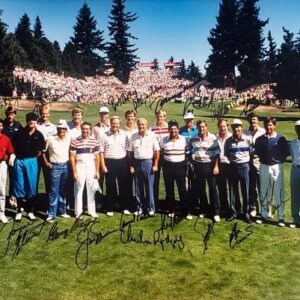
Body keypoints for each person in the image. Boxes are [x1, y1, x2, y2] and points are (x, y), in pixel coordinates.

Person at [255, 117, 289, 227]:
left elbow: (285, 153)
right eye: (266, 125)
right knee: (264, 191)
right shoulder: (260, 139)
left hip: (276, 167)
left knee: (278, 192)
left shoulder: (280, 138)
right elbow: (258, 152)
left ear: (274, 125)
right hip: (264, 166)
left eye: (270, 125)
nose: (268, 127)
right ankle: (264, 215)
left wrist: (277, 161)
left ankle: (281, 217)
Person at [12, 112, 45, 221]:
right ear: (27, 121)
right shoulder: (19, 132)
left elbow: (40, 151)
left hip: (32, 161)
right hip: (20, 161)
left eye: (33, 120)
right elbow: (13, 146)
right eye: (29, 119)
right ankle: (19, 211)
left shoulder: (39, 135)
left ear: (36, 121)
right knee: (19, 185)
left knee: (31, 186)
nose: (31, 122)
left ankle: (30, 211)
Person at [190, 120, 220, 222]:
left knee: (212, 189)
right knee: (201, 189)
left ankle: (216, 212)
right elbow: (189, 151)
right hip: (198, 165)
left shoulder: (213, 138)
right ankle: (204, 210)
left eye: (203, 127)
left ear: (206, 127)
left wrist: (216, 166)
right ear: (197, 128)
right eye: (199, 127)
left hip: (210, 165)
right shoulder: (193, 138)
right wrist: (193, 162)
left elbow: (217, 154)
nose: (201, 129)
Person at [160, 120, 191, 219]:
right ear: (168, 130)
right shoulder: (164, 140)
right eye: (171, 129)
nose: (173, 131)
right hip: (168, 167)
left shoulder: (184, 139)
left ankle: (186, 211)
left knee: (182, 190)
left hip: (180, 167)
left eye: (175, 129)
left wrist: (184, 164)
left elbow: (187, 153)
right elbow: (161, 153)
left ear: (178, 130)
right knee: (169, 190)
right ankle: (172, 210)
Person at [128, 118, 160, 216]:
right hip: (137, 163)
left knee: (149, 186)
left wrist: (155, 164)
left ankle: (150, 208)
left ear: (146, 125)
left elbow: (157, 151)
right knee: (138, 187)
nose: (141, 126)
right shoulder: (133, 136)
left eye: (143, 124)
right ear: (137, 125)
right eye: (139, 124)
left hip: (148, 163)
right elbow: (130, 152)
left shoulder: (152, 135)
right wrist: (131, 165)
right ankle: (139, 208)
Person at [100, 116, 130, 216]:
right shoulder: (104, 135)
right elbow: (101, 151)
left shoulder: (124, 134)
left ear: (119, 124)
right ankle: (110, 207)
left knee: (123, 186)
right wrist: (103, 165)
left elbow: (127, 149)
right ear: (110, 123)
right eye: (113, 123)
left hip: (122, 161)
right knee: (110, 185)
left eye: (117, 123)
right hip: (109, 162)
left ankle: (124, 207)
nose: (115, 125)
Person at [42, 120, 71, 223]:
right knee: (53, 191)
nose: (62, 130)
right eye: (60, 128)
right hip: (55, 167)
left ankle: (62, 211)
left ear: (66, 129)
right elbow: (43, 152)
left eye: (63, 128)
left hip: (65, 166)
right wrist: (46, 162)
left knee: (63, 190)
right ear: (57, 129)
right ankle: (51, 214)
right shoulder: (50, 139)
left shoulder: (69, 138)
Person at [70, 122, 100, 219]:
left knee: (91, 188)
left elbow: (97, 157)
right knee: (78, 189)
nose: (85, 130)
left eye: (87, 129)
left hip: (91, 166)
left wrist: (97, 171)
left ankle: (92, 211)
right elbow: (72, 157)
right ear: (81, 129)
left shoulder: (94, 141)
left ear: (90, 130)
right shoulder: (75, 141)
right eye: (83, 129)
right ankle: (78, 212)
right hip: (79, 166)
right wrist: (74, 172)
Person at [224, 119, 251, 223]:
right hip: (233, 166)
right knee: (233, 190)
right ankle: (234, 212)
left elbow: (252, 152)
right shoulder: (228, 141)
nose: (236, 129)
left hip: (244, 166)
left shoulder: (247, 139)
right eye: (234, 127)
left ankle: (246, 213)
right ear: (232, 128)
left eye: (238, 126)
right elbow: (226, 153)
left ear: (241, 127)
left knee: (245, 191)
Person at [243, 112, 265, 217]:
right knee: (252, 187)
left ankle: (265, 208)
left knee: (262, 186)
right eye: (251, 119)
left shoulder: (263, 131)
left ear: (258, 120)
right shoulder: (245, 132)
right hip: (248, 161)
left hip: (260, 161)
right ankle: (253, 208)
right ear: (248, 121)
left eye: (254, 119)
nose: (253, 121)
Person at [2, 106, 22, 208]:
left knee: (13, 178)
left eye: (12, 114)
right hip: (3, 156)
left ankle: (12, 197)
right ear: (6, 114)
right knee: (2, 179)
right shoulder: (2, 125)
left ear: (15, 114)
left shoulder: (18, 125)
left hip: (14, 156)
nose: (10, 116)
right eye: (9, 114)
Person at [36, 105, 57, 197]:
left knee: (48, 178)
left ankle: (49, 201)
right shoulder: (36, 125)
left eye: (46, 114)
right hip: (36, 154)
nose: (44, 115)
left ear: (49, 114)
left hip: (48, 155)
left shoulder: (53, 127)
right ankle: (33, 200)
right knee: (34, 178)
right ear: (40, 114)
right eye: (42, 114)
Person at [179, 111, 198, 210]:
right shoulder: (180, 130)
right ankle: (186, 201)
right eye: (187, 120)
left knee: (194, 180)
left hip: (195, 157)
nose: (189, 121)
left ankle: (195, 201)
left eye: (190, 120)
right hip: (184, 157)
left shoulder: (197, 130)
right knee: (185, 180)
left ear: (193, 120)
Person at [151, 110, 169, 205]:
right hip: (155, 156)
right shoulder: (151, 129)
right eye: (158, 116)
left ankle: (168, 202)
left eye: (161, 116)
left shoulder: (168, 128)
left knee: (167, 179)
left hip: (166, 156)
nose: (159, 118)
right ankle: (155, 202)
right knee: (155, 180)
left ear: (164, 117)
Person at [215, 118, 232, 218]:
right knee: (222, 188)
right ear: (218, 127)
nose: (223, 128)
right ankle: (224, 207)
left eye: (224, 126)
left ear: (227, 126)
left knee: (232, 188)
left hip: (230, 165)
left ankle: (233, 208)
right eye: (221, 126)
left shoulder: (231, 136)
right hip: (219, 165)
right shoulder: (215, 137)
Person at [0, 119, 14, 223]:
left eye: (0, 126)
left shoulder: (6, 139)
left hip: (2, 165)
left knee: (1, 189)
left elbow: (11, 152)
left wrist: (9, 158)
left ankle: (1, 213)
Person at [289, 120, 300, 228]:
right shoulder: (292, 143)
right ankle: (295, 219)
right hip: (296, 169)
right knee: (295, 195)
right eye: (297, 128)